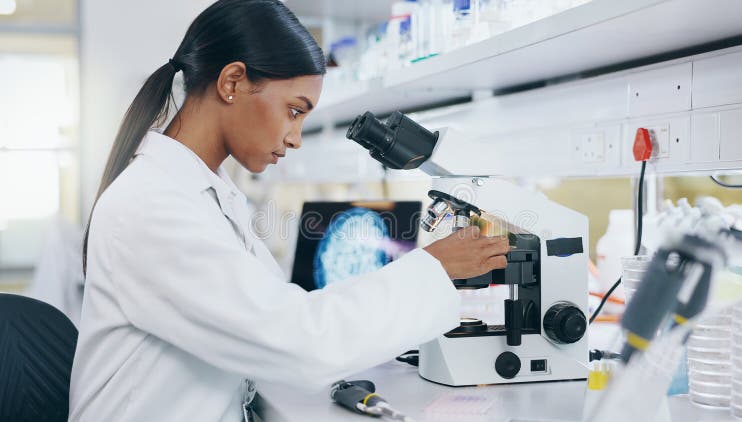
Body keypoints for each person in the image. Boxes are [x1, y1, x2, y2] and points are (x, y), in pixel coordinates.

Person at [68, 1, 509, 421]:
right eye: (294, 110)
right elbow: (298, 338)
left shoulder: (205, 195)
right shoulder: (151, 206)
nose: (296, 137)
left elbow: (278, 315)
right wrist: (431, 268)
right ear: (232, 82)